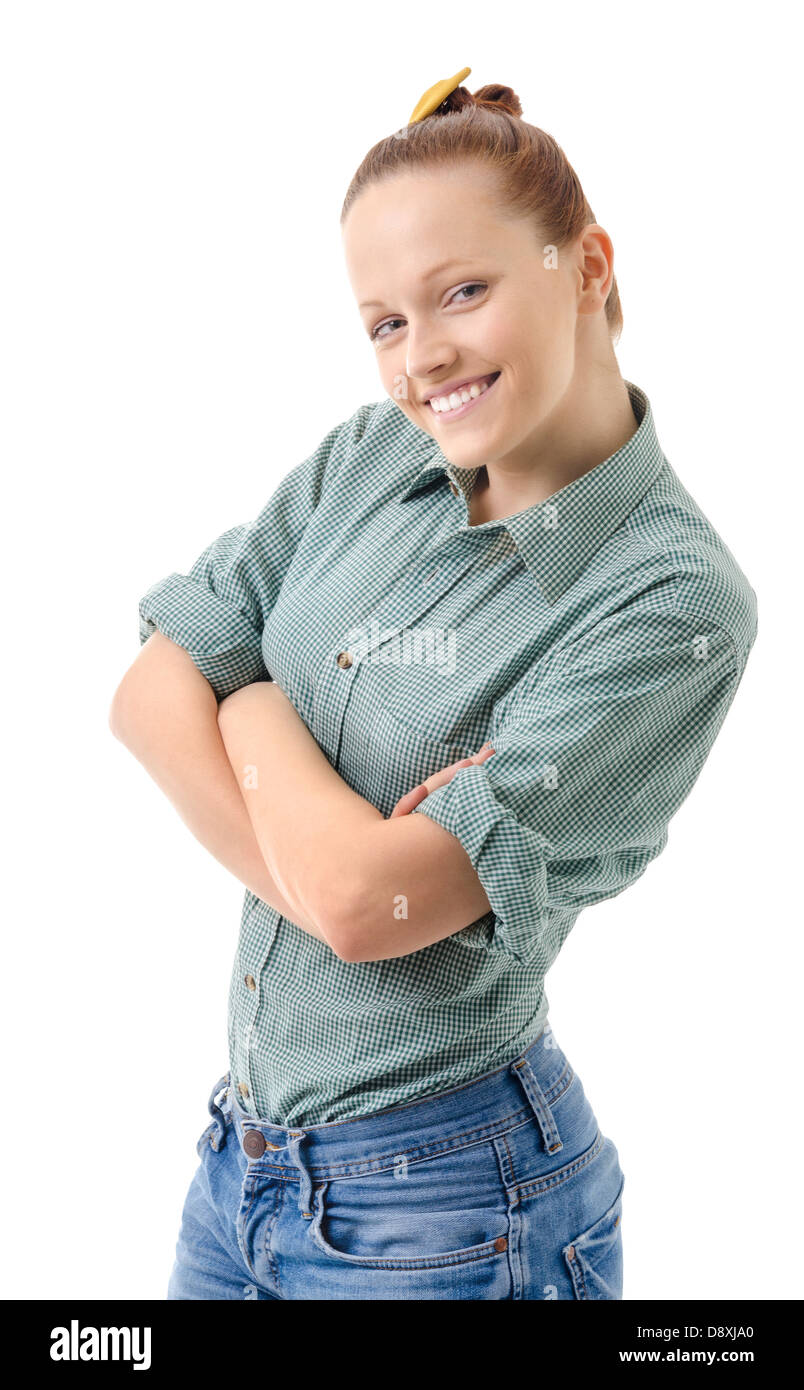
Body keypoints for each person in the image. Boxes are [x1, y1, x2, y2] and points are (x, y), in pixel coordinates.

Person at [109, 69, 758, 1300]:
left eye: (463, 292)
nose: (422, 359)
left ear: (588, 264)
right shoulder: (372, 456)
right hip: (236, 1168)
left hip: (450, 1208)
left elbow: (364, 903)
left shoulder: (671, 605)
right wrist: (335, 857)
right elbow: (146, 693)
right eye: (385, 322)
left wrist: (243, 697)